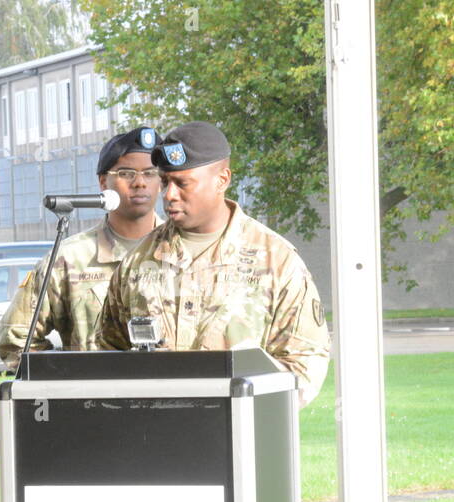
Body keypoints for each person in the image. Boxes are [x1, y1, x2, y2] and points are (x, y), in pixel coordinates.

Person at [94, 121, 330, 406]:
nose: (168, 194)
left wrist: (247, 408)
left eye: (183, 183)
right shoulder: (138, 261)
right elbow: (109, 353)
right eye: (166, 181)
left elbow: (304, 362)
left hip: (240, 437)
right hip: (154, 439)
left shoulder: (275, 260)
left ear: (222, 180)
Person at [0, 126, 163, 372]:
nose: (139, 183)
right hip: (93, 404)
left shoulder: (184, 251)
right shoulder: (68, 258)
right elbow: (15, 339)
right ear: (103, 181)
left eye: (150, 173)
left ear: (162, 181)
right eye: (126, 173)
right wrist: (68, 384)